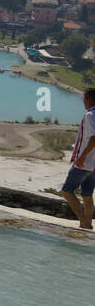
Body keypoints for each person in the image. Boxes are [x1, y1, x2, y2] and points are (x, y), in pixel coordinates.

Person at [60, 87, 95, 230]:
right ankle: (88, 225)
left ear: (87, 100)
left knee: (67, 191)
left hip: (85, 162)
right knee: (87, 194)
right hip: (94, 164)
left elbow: (94, 138)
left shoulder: (90, 115)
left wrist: (82, 157)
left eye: (83, 100)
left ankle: (84, 223)